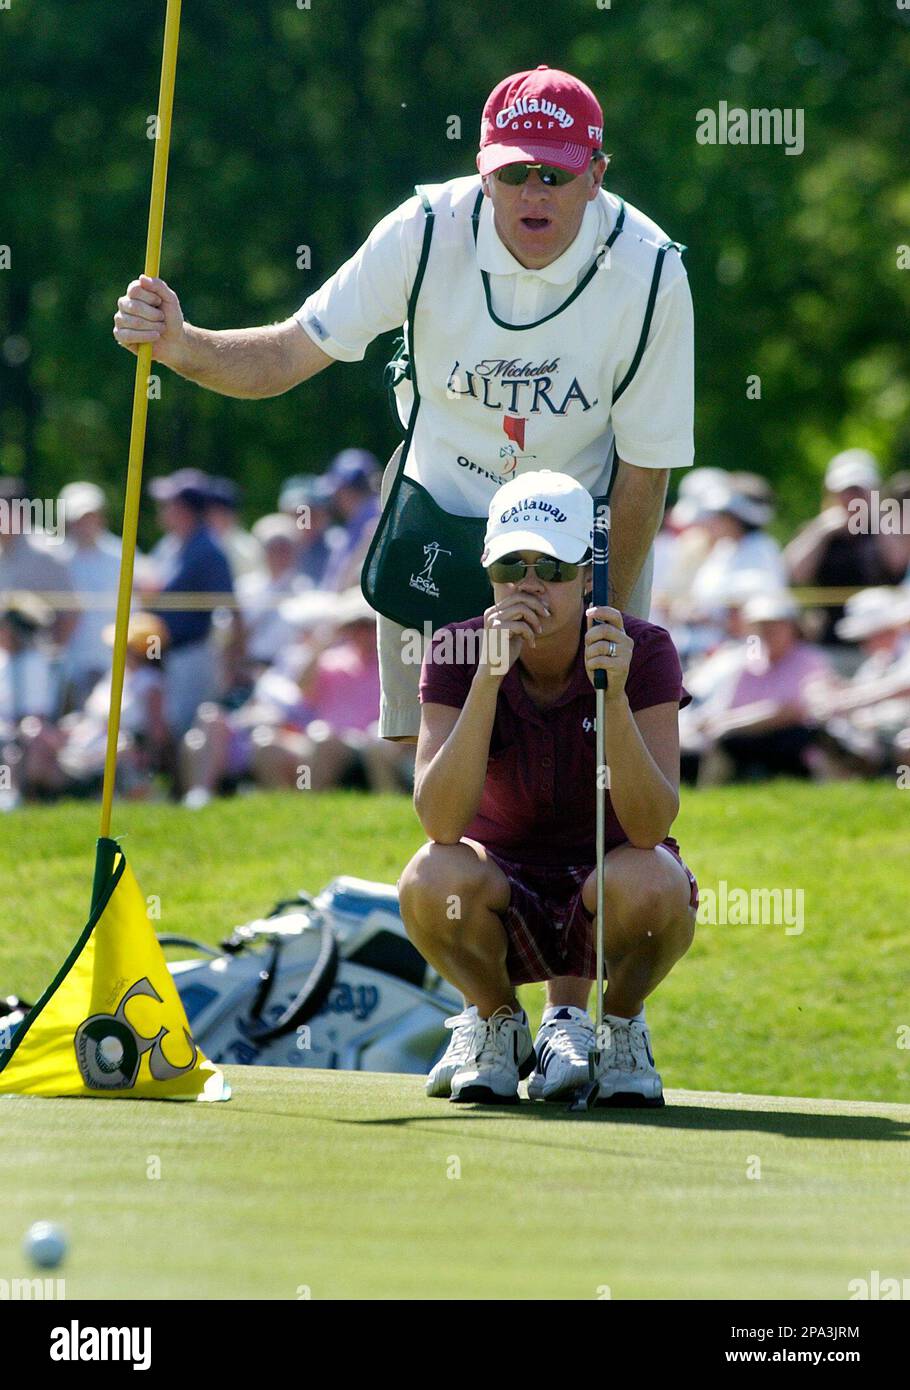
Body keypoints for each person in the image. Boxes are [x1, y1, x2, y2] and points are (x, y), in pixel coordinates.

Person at [111, 62, 695, 746]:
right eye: (512, 172)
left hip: (576, 534)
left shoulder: (650, 270)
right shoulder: (422, 232)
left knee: (583, 758)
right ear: (483, 170)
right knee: (438, 759)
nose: (531, 192)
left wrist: (609, 623)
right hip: (434, 513)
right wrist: (184, 345)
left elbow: (647, 472)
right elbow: (288, 354)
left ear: (596, 174)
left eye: (554, 174)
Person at [397, 471, 697, 1106]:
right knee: (430, 878)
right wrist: (487, 678)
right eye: (512, 565)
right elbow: (441, 823)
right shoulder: (457, 648)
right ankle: (498, 1024)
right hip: (503, 882)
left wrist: (611, 693)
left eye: (553, 569)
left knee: (657, 880)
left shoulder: (643, 649)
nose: (529, 585)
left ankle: (618, 1027)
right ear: (489, 571)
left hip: (607, 878)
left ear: (588, 576)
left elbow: (650, 826)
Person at [693, 592, 835, 786]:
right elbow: (728, 707)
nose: (767, 633)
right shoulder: (749, 663)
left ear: (792, 627)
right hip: (753, 738)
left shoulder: (809, 660)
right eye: (761, 627)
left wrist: (728, 725)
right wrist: (719, 722)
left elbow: (792, 710)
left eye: (774, 626)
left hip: (796, 739)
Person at [143, 470, 234, 742]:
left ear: (184, 509)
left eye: (168, 504)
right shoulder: (172, 546)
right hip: (166, 657)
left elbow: (231, 609)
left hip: (192, 656)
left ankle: (190, 784)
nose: (162, 510)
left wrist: (231, 663)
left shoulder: (208, 550)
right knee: (168, 727)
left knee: (185, 731)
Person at [785, 450, 905, 649]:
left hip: (881, 645)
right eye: (844, 491)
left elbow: (898, 562)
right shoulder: (820, 531)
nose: (851, 498)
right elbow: (795, 573)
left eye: (858, 491)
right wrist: (822, 529)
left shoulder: (887, 529)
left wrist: (877, 520)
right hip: (830, 641)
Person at [57, 481, 123, 710]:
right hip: (69, 666)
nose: (85, 524)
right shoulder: (58, 558)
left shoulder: (122, 555)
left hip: (113, 663)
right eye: (78, 518)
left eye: (90, 516)